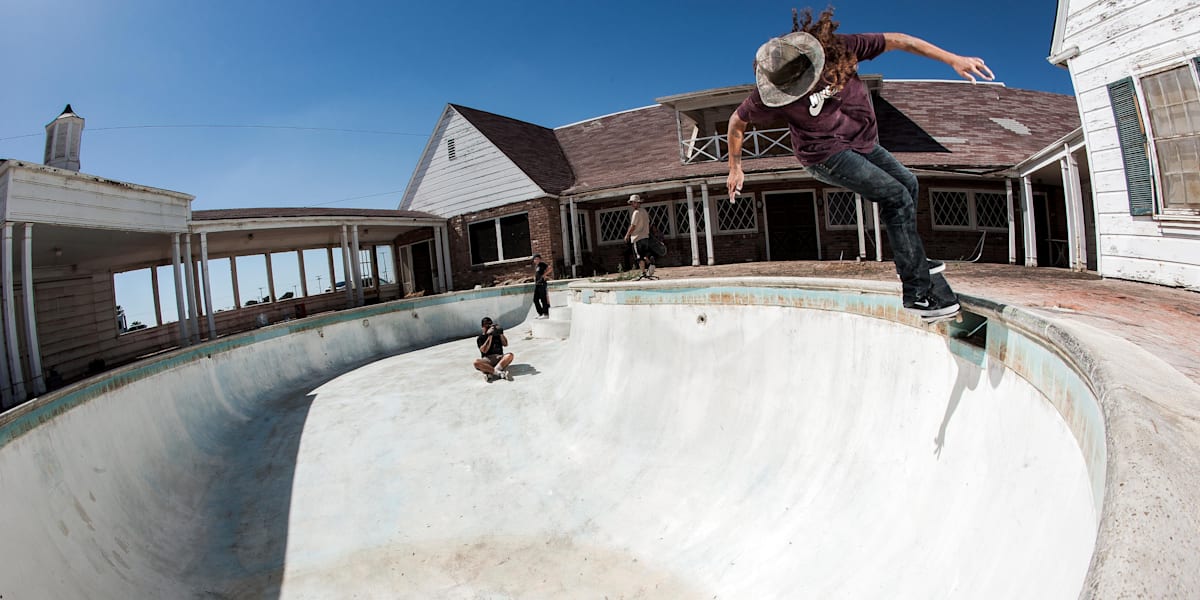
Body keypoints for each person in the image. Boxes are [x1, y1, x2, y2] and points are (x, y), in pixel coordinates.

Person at [726, 8, 994, 320]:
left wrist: (952, 59)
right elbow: (736, 122)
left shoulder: (842, 47)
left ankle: (913, 259)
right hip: (822, 155)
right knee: (895, 195)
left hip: (863, 143)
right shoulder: (768, 93)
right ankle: (918, 293)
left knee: (909, 184)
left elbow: (899, 41)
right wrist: (735, 166)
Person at [622, 194, 655, 277]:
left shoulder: (635, 213)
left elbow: (633, 225)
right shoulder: (644, 211)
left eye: (633, 203)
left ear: (637, 203)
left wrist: (627, 235)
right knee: (645, 254)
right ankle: (651, 264)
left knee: (639, 257)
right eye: (631, 203)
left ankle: (643, 272)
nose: (632, 204)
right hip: (645, 237)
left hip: (637, 237)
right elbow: (649, 223)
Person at [473, 317, 514, 382]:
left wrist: (501, 333)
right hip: (488, 360)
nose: (488, 328)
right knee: (476, 363)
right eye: (486, 326)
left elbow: (505, 344)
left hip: (499, 358)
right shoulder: (480, 338)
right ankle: (498, 373)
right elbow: (484, 350)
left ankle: (491, 372)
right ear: (482, 327)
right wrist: (490, 336)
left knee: (510, 355)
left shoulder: (497, 335)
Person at [531, 253, 551, 319]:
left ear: (540, 259)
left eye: (537, 259)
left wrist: (544, 275)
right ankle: (540, 313)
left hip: (542, 284)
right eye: (535, 259)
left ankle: (545, 313)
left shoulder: (542, 264)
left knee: (543, 299)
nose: (536, 260)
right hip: (537, 284)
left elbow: (550, 268)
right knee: (535, 299)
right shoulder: (536, 266)